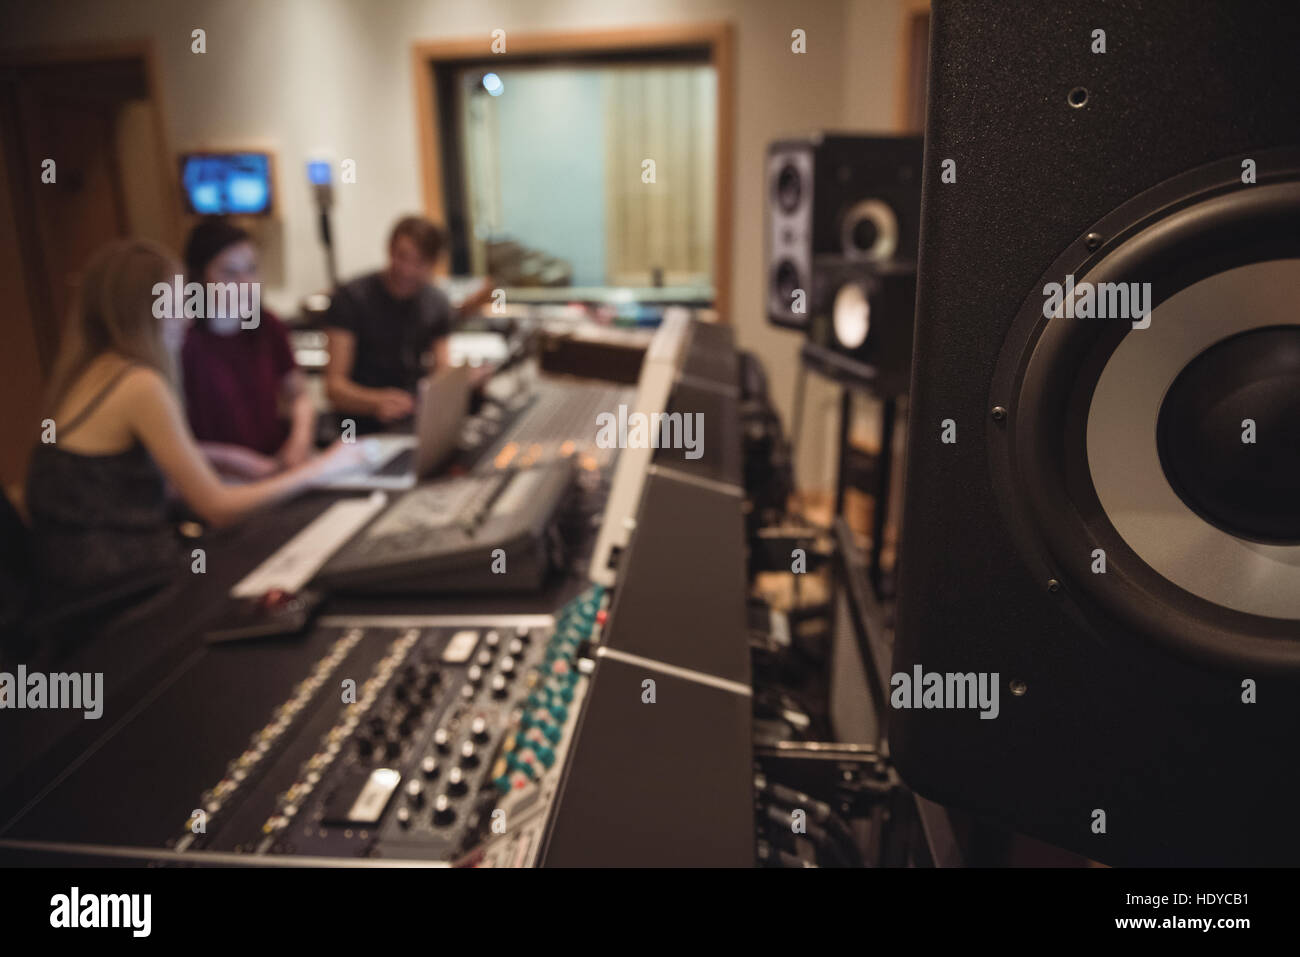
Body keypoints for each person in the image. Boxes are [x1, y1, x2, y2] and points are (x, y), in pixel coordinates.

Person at [24, 239, 366, 607]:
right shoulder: (140, 383)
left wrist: (225, 460)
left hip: (75, 578)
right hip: (120, 587)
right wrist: (325, 468)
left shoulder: (91, 372)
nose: (187, 317)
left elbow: (115, 486)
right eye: (177, 302)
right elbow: (217, 509)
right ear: (145, 309)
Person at [323, 215, 492, 433]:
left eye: (419, 262)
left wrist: (463, 380)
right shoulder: (350, 299)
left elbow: (441, 370)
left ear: (433, 264)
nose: (407, 270)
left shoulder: (436, 302)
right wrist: (375, 401)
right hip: (361, 430)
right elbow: (334, 388)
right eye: (401, 257)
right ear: (389, 249)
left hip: (414, 422)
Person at [181, 219, 317, 479]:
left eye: (251, 270)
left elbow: (299, 396)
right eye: (230, 274)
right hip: (216, 480)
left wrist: (299, 440)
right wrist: (235, 461)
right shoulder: (183, 340)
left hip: (275, 467)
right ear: (199, 278)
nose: (245, 283)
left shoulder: (269, 325)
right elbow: (170, 441)